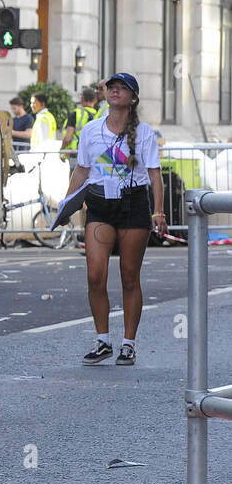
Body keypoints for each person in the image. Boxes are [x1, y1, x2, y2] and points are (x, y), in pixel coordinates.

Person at [62, 72, 163, 367]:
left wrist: (158, 212)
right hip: (99, 206)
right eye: (111, 87)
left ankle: (128, 344)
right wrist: (67, 205)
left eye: (122, 88)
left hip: (134, 206)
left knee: (129, 278)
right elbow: (82, 170)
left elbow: (155, 175)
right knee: (95, 276)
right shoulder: (91, 130)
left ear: (133, 98)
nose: (115, 91)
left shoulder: (144, 133)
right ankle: (102, 340)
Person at [61, 86, 98, 150]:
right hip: (92, 151)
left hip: (75, 151)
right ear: (95, 100)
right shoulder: (98, 115)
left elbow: (68, 138)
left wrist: (62, 149)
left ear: (82, 99)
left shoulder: (76, 114)